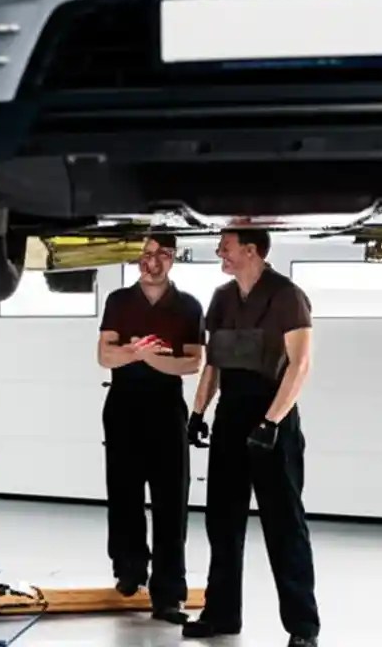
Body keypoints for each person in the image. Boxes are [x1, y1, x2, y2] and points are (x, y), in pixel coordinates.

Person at [182, 229, 320, 647]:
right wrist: (198, 412)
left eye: (227, 244)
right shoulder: (222, 298)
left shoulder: (286, 296)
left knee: (284, 524)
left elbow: (300, 365)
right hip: (231, 414)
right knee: (222, 522)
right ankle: (222, 613)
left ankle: (303, 628)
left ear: (251, 250)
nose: (219, 251)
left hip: (272, 415)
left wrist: (271, 422)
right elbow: (214, 364)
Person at [96, 234, 205, 625]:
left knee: (171, 501)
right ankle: (129, 570)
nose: (152, 262)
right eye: (146, 254)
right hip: (123, 405)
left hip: (166, 409)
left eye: (161, 255)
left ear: (173, 259)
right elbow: (103, 355)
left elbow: (193, 363)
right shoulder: (119, 301)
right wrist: (144, 354)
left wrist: (146, 358)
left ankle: (169, 594)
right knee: (123, 492)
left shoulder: (188, 306)